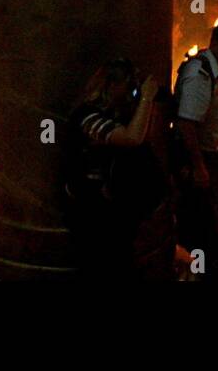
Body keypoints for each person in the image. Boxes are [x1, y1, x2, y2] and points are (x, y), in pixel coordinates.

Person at [66, 58, 171, 280]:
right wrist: (145, 98)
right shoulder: (87, 116)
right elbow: (132, 138)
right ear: (111, 85)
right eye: (128, 84)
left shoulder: (118, 113)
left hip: (115, 209)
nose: (130, 91)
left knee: (122, 263)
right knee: (105, 266)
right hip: (93, 211)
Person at [174, 18, 218, 281]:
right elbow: (186, 122)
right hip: (199, 160)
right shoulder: (200, 73)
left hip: (213, 157)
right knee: (204, 230)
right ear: (215, 44)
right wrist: (198, 166)